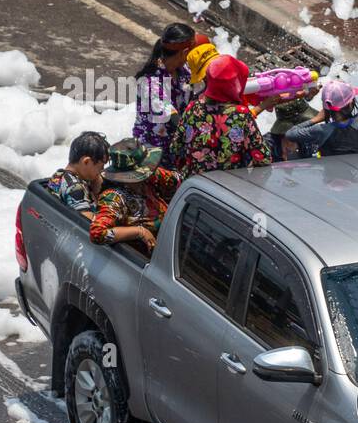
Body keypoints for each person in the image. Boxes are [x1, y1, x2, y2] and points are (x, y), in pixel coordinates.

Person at [170, 55, 273, 179]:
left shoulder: (192, 108)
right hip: (228, 188)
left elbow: (175, 147)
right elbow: (263, 158)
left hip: (194, 185)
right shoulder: (241, 114)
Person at [88, 139, 180, 253]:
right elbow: (98, 233)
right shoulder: (114, 198)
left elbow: (176, 182)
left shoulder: (151, 177)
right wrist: (139, 232)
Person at [133, 24, 200, 165]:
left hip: (175, 148)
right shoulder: (151, 82)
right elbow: (173, 118)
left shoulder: (184, 71)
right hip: (153, 156)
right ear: (185, 52)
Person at [46, 131, 110, 218]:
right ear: (86, 162)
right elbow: (87, 224)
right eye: (101, 167)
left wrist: (95, 179)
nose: (102, 171)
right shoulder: (76, 189)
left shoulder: (59, 175)